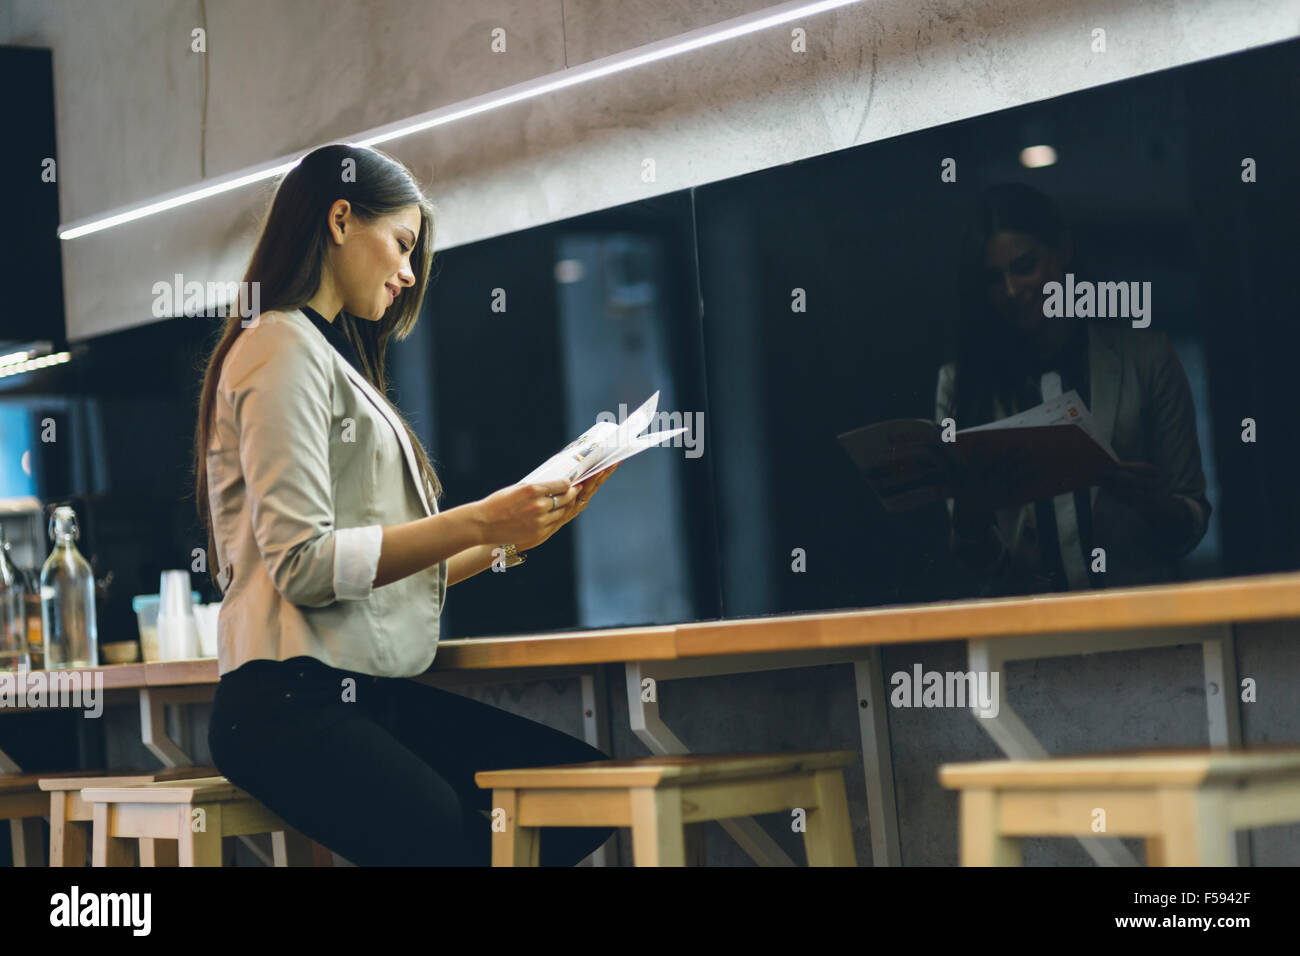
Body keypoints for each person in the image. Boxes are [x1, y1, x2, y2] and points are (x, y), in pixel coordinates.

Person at [192, 143, 621, 865]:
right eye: (400, 243)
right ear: (339, 219)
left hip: (345, 693)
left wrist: (517, 536)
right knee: (465, 838)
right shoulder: (279, 347)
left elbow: (363, 575)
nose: (408, 271)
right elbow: (304, 565)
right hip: (286, 707)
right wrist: (486, 517)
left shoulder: (318, 352)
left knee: (580, 793)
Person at [935, 183, 1211, 596]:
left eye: (1024, 266)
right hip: (1028, 635)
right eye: (994, 278)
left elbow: (1191, 522)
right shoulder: (960, 383)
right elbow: (977, 562)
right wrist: (971, 517)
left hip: (1144, 619)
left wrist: (1152, 503)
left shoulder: (1145, 357)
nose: (1011, 291)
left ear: (1062, 250)